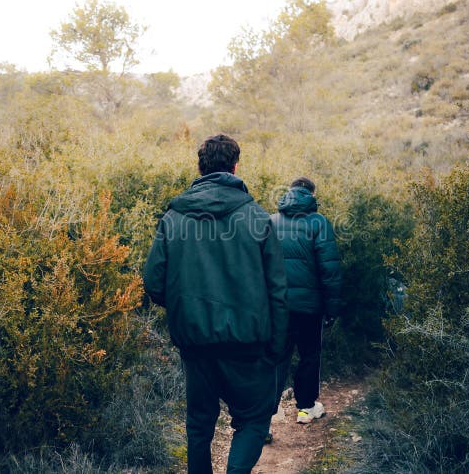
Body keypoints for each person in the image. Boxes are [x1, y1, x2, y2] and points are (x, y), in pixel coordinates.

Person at [143, 134, 288, 474]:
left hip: (196, 343)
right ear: (235, 167)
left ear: (200, 167)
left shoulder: (174, 217)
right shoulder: (256, 217)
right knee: (253, 420)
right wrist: (276, 348)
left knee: (199, 426)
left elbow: (153, 283)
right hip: (248, 345)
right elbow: (278, 292)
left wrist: (187, 311)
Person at [270, 176, 343, 427]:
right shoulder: (319, 223)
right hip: (310, 307)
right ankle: (306, 408)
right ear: (312, 194)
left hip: (278, 305)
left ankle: (268, 414)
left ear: (289, 193)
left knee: (277, 356)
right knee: (309, 355)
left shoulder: (271, 221)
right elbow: (329, 269)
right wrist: (332, 308)